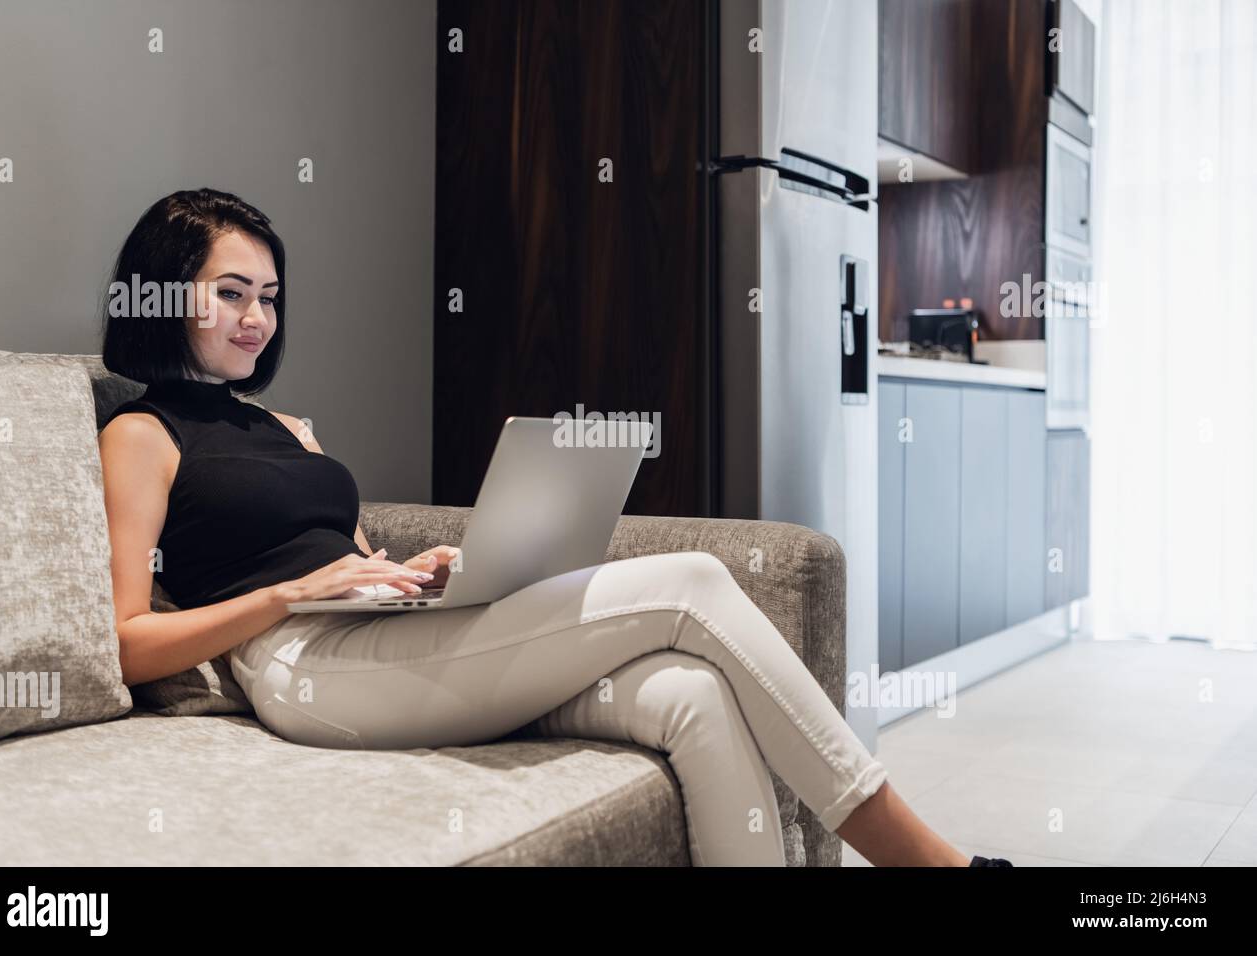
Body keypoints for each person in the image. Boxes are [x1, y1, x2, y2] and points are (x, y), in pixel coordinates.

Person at [97, 187, 1011, 868]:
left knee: (687, 691)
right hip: (302, 671)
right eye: (230, 294)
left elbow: (343, 556)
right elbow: (130, 642)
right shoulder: (141, 434)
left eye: (269, 295)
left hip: (386, 640)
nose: (257, 318)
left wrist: (410, 570)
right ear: (162, 295)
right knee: (691, 582)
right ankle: (934, 865)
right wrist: (289, 594)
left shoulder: (284, 426)